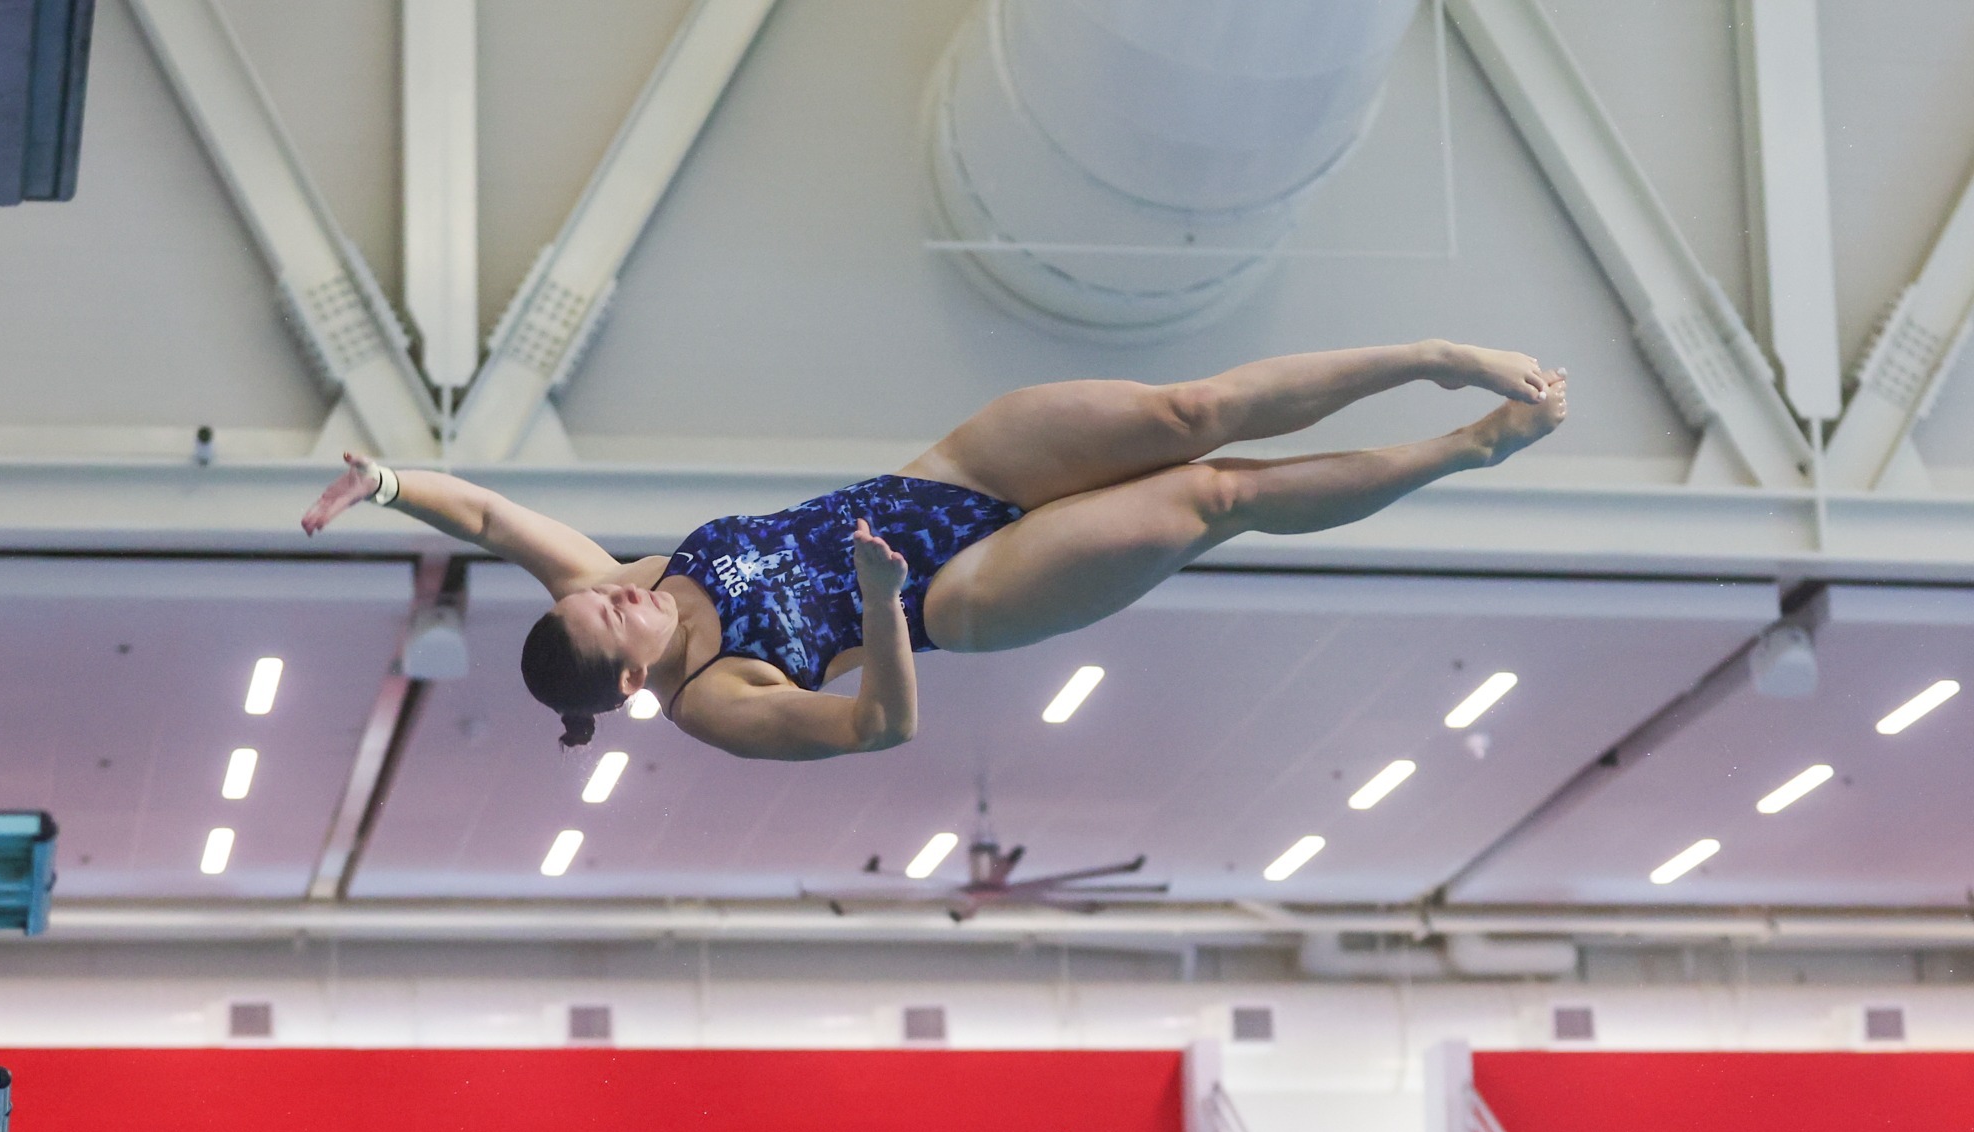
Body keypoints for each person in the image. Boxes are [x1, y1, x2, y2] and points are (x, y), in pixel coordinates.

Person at [303, 343, 1566, 760]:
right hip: (959, 597)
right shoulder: (711, 702)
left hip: (948, 477)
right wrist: (883, 605)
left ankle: (1433, 357)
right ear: (629, 681)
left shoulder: (606, 589)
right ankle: (1465, 447)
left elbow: (481, 518)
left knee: (1192, 413)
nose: (621, 593)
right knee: (1210, 495)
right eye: (617, 618)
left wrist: (386, 480)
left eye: (603, 591)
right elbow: (876, 730)